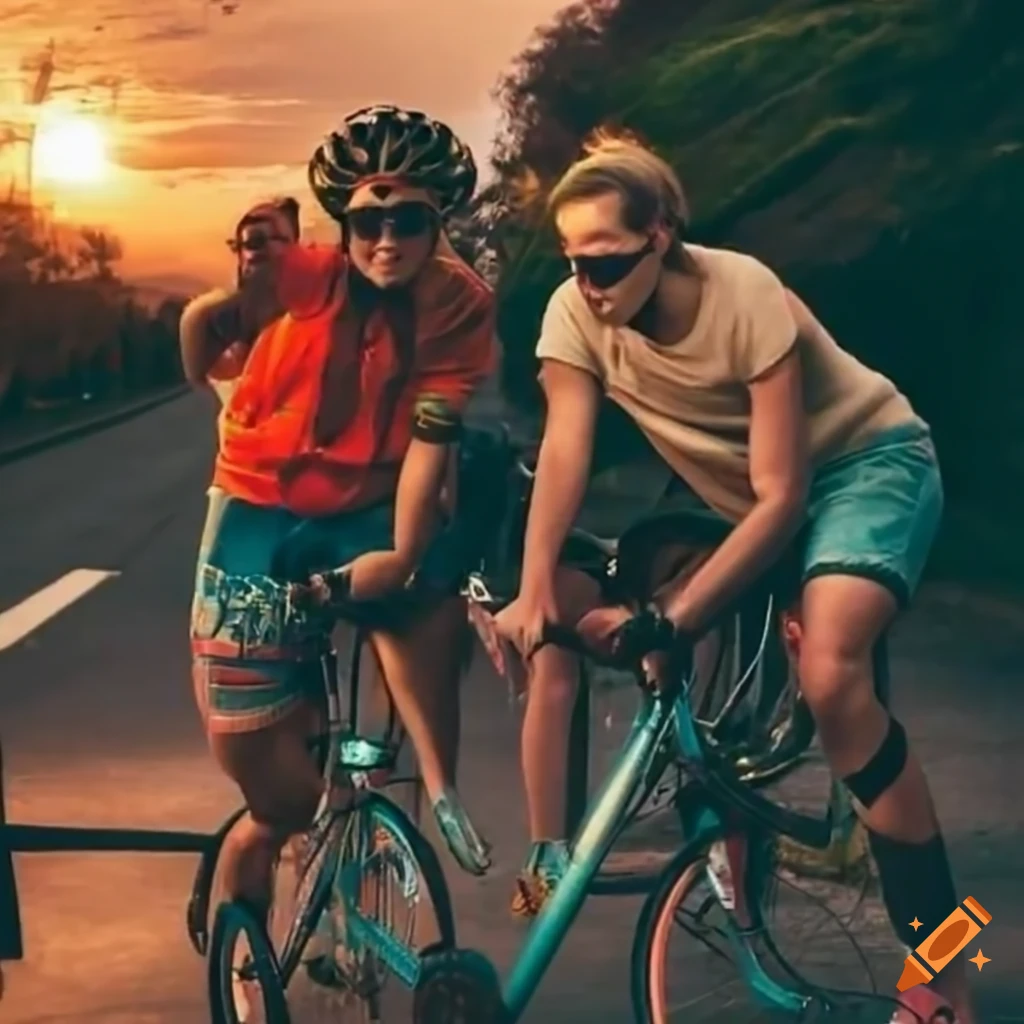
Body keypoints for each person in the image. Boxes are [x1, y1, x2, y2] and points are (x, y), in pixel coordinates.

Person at [494, 132, 975, 1024]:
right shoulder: (575, 312)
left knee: (830, 671)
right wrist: (529, 592)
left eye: (604, 263)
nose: (587, 288)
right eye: (573, 264)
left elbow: (785, 494)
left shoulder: (744, 293)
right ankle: (586, 869)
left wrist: (676, 613)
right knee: (641, 654)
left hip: (861, 466)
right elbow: (564, 448)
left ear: (662, 235)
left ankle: (945, 965)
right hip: (737, 497)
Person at [179, 105, 497, 941]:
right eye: (369, 221)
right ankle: (263, 858)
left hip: (373, 493)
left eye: (410, 220)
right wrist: (213, 387)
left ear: (439, 222)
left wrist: (405, 547)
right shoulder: (306, 274)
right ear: (343, 224)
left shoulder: (460, 304)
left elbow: (434, 436)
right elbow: (205, 321)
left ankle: (425, 798)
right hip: (258, 495)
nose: (387, 240)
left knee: (423, 588)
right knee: (268, 778)